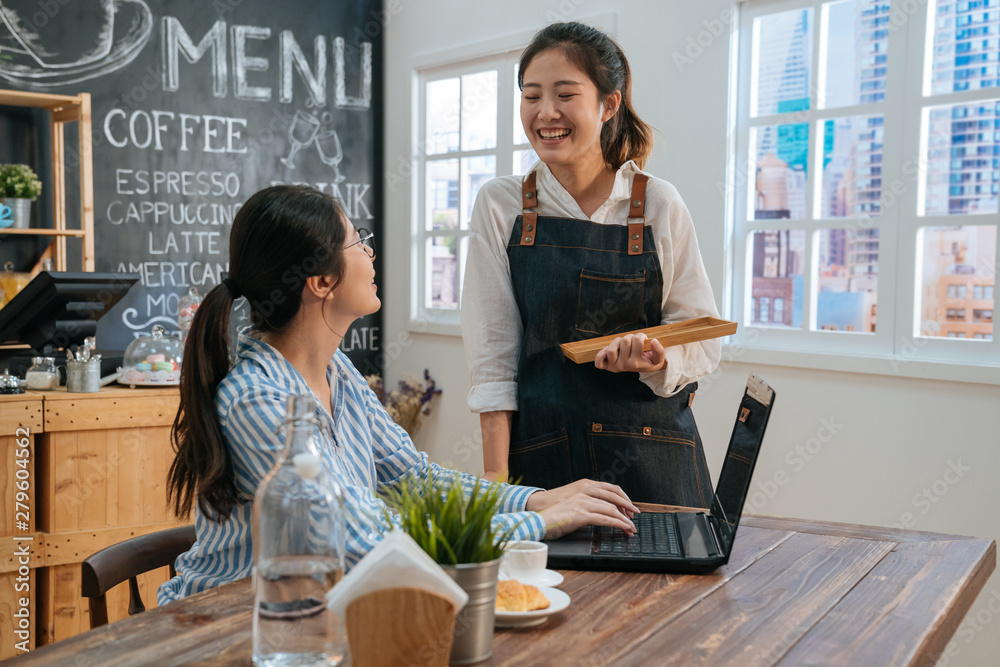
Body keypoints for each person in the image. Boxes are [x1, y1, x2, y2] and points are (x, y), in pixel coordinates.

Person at [158, 184, 638, 604]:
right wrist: (539, 526)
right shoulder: (258, 402)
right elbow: (362, 542)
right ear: (322, 281)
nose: (370, 254)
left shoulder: (337, 372)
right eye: (358, 243)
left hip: (313, 611)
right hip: (227, 624)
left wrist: (535, 501)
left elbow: (415, 480)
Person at [462, 22, 721, 507]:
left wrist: (655, 358)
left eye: (565, 95)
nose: (545, 113)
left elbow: (702, 340)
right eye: (531, 95)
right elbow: (493, 364)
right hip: (547, 469)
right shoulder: (501, 206)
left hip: (656, 462)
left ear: (609, 104)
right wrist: (497, 491)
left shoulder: (659, 203)